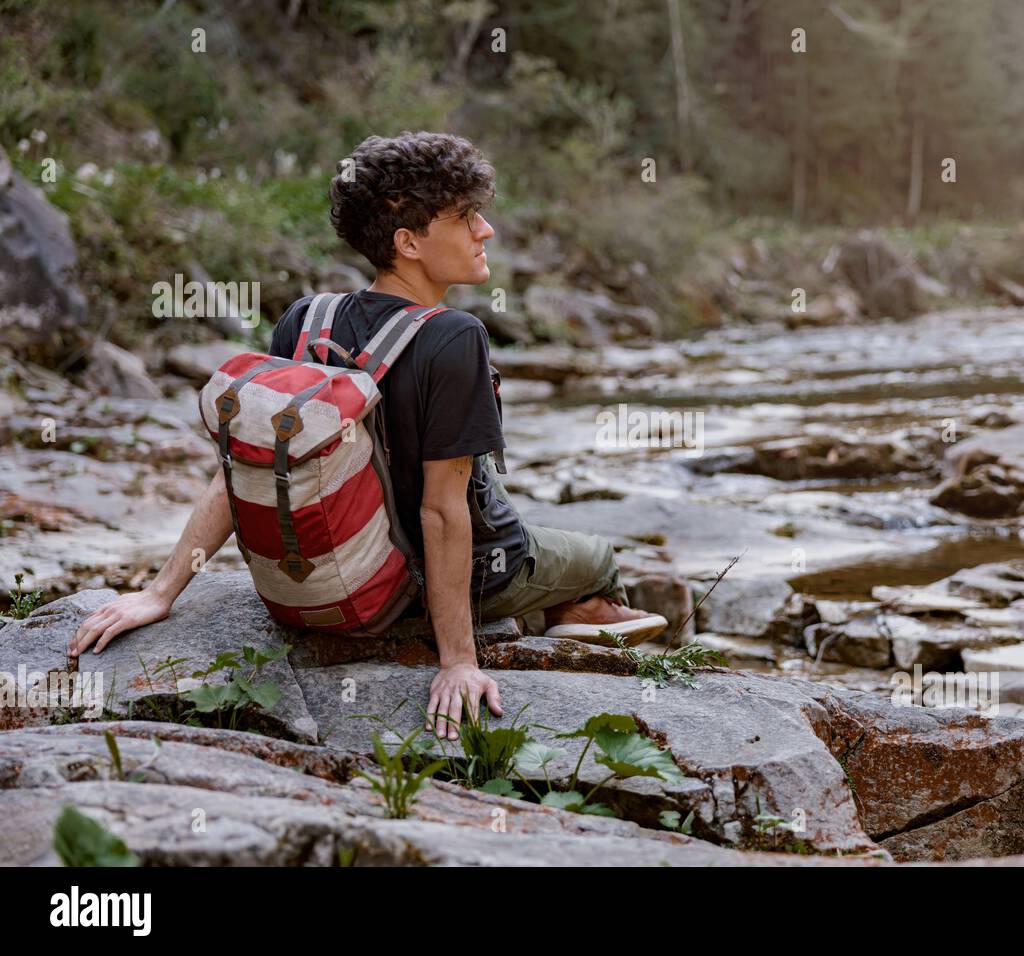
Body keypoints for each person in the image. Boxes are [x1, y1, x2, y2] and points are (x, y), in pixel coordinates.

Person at [69, 131, 667, 740]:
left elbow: (246, 467)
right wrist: (458, 661)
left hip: (318, 579)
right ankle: (581, 607)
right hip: (432, 582)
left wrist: (161, 591)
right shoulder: (455, 337)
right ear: (408, 243)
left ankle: (566, 612)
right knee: (597, 557)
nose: (486, 231)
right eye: (466, 219)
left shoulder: (306, 320)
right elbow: (441, 510)